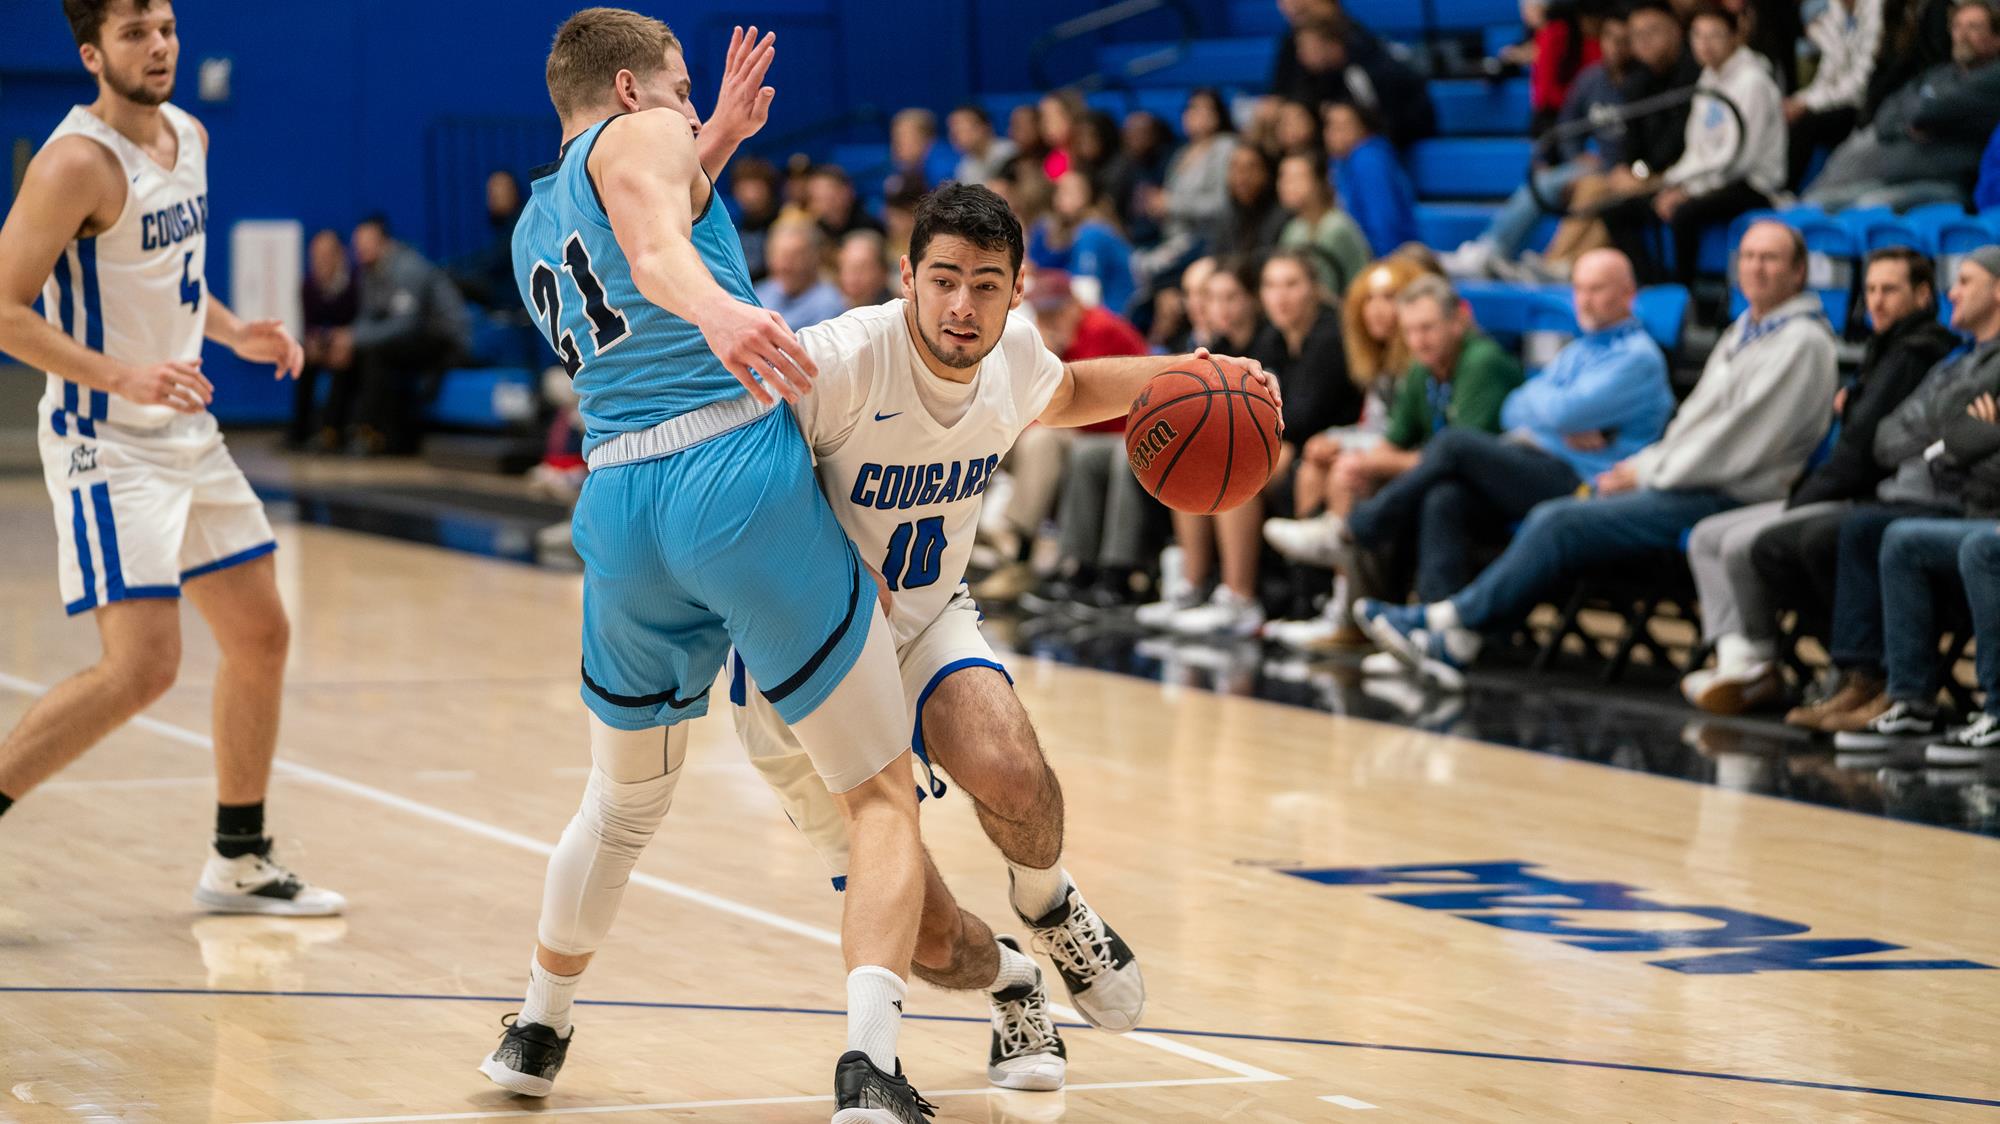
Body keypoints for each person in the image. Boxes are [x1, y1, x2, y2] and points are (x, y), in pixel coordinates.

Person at [479, 16, 934, 1120]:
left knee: (619, 805)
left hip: (619, 503)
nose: (691, 111)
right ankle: (871, 1070)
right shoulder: (641, 140)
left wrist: (719, 136)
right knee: (880, 793)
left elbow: (645, 222)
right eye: (683, 92)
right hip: (728, 475)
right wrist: (725, 311)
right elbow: (655, 250)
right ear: (628, 89)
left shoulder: (538, 218)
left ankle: (537, 1026)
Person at [732, 190, 1268, 1093]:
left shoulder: (1013, 354)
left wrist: (1199, 371)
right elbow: (739, 465)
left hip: (924, 621)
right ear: (907, 279)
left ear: (1017, 290)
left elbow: (1071, 393)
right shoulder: (844, 359)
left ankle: (1049, 902)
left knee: (1016, 772)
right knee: (934, 940)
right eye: (944, 279)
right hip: (807, 659)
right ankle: (1014, 980)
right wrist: (823, 560)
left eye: (986, 285)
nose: (962, 305)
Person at [0, 0, 339, 913]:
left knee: (261, 632)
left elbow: (171, 275)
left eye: (166, 28)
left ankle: (238, 859)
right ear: (91, 53)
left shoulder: (190, 134)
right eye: (134, 34)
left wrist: (233, 332)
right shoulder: (75, 163)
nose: (158, 48)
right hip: (105, 440)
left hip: (185, 429)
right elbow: (4, 309)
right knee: (142, 668)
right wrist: (124, 377)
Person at [1360, 221, 1838, 688]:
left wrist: (1643, 469)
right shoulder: (1744, 331)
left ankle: (1434, 607)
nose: (1755, 267)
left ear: (1799, 271)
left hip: (1719, 491)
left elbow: (1734, 441)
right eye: (1748, 256)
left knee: (1550, 516)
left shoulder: (1798, 341)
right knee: (1447, 496)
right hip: (1677, 478)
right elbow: (1518, 407)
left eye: (1770, 258)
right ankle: (1448, 641)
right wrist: (1586, 436)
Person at [1272, 251, 1670, 615]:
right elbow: (1517, 408)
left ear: (1628, 293)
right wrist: (1558, 419)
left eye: (1597, 289)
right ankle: (1432, 628)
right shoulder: (1579, 351)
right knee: (1445, 496)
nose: (1584, 300)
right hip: (1540, 465)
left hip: (1589, 484)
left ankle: (1351, 531)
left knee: (1455, 444)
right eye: (1579, 288)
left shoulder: (1637, 357)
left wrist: (1553, 414)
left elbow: (1558, 409)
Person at [1682, 247, 1954, 715]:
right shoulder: (1885, 347)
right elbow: (1873, 438)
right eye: (1870, 289)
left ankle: (1851, 667)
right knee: (1719, 537)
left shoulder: (1916, 351)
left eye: (1889, 290)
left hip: (1877, 495)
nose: (1876, 300)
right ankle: (1746, 664)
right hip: (1851, 490)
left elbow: (1868, 451)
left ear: (1923, 295)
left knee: (1770, 544)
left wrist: (1803, 495)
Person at [1774, 248, 2000, 737]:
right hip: (1944, 498)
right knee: (1801, 541)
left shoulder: (1972, 360)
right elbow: (1886, 438)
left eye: (1965, 281)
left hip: (1966, 505)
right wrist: (1953, 437)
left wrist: (1955, 439)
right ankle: (1882, 686)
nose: (1952, 292)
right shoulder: (1958, 359)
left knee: (1872, 534)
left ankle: (1889, 684)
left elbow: (1957, 443)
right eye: (1869, 290)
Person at [1599, 4, 1786, 288]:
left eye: (1715, 35)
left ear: (1735, 36)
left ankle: (1685, 292)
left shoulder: (1753, 82)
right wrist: (1670, 182)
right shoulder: (1707, 78)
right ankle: (1652, 287)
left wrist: (1687, 190)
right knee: (1619, 210)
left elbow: (1737, 159)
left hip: (1752, 185)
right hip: (1708, 181)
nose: (1705, 44)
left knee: (1684, 213)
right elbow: (1696, 150)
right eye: (1698, 36)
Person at [1133, 258, 1272, 633]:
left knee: (1235, 472)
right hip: (1253, 445)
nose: (1219, 307)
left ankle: (1240, 598)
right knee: (1185, 464)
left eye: (1230, 297)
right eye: (1212, 297)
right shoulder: (1217, 347)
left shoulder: (1269, 342)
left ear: (1252, 300)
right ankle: (1192, 586)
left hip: (1285, 448)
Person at [1441, 8, 1633, 279]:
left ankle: (1550, 262)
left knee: (1590, 190)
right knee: (1544, 182)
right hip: (1598, 166)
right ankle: (1492, 250)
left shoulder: (1641, 82)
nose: (1615, 47)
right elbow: (1567, 123)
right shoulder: (1592, 78)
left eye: (1623, 40)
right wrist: (1574, 155)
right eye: (1609, 38)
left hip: (1627, 170)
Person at [1803, 0, 2000, 210]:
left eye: (1974, 27)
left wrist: (1919, 111)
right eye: (1957, 26)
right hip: (1902, 176)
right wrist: (1908, 125)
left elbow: (1929, 110)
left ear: (1997, 39)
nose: (1963, 35)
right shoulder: (1939, 74)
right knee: (1820, 202)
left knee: (1870, 207)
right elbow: (1887, 112)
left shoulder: (1993, 78)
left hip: (1949, 183)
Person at [336, 215, 471, 455]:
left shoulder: (408, 268)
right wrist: (348, 338)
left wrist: (356, 338)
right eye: (357, 244)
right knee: (355, 353)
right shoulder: (368, 271)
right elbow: (367, 317)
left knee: (378, 353)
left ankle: (378, 435)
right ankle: (335, 431)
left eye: (366, 243)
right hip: (412, 336)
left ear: (384, 242)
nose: (360, 249)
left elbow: (406, 324)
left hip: (445, 339)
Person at [1133, 89, 1239, 284]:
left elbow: (1222, 203)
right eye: (1191, 108)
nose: (1195, 115)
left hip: (1208, 241)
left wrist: (1170, 203)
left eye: (1204, 109)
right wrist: (1155, 205)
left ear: (1218, 114)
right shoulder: (1182, 152)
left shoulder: (1225, 147)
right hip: (1174, 240)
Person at [1786, 0, 1883, 190]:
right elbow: (1829, 71)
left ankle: (1787, 190)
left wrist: (1808, 103)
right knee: (1788, 114)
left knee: (1806, 124)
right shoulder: (1835, 9)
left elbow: (1860, 84)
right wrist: (1800, 100)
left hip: (1867, 104)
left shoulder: (1875, 9)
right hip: (1839, 100)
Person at [288, 228, 359, 450]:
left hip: (352, 343)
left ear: (340, 255)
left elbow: (362, 319)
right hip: (325, 342)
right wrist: (314, 343)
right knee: (302, 358)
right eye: (316, 256)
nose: (321, 261)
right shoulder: (308, 285)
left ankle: (333, 430)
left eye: (326, 255)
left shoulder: (356, 282)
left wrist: (347, 340)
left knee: (344, 362)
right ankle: (300, 430)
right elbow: (309, 325)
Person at [1028, 172, 1136, 314]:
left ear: (1087, 196)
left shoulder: (1093, 231)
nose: (1061, 198)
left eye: (1070, 192)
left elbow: (1086, 290)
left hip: (1116, 315)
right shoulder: (1056, 229)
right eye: (1059, 192)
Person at [1325, 102, 1418, 257]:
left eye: (1343, 126)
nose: (1333, 133)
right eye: (1330, 126)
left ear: (1363, 128)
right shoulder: (1339, 162)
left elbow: (1384, 223)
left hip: (1390, 256)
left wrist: (1382, 265)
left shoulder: (1368, 160)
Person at [1275, 149, 1370, 296]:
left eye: (1297, 178)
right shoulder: (1294, 229)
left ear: (1319, 182)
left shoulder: (1337, 227)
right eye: (1283, 178)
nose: (1286, 185)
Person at [448, 169, 526, 308]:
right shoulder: (504, 228)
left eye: (500, 189)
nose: (494, 196)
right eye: (491, 191)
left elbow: (493, 261)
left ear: (515, 192)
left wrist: (452, 273)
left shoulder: (521, 225)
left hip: (518, 310)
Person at [755, 220, 848, 329]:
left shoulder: (828, 306)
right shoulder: (760, 294)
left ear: (814, 258)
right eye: (779, 255)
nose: (784, 266)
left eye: (794, 257)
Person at [728, 155, 783, 281]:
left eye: (756, 188)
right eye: (744, 188)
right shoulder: (734, 223)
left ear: (769, 189)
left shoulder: (784, 222)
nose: (750, 195)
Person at [884, 107, 958, 199]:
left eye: (902, 138)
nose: (896, 146)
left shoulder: (942, 169)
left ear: (926, 137)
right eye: (894, 139)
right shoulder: (917, 166)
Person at [807, 163, 887, 242]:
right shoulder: (812, 228)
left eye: (829, 199)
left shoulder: (869, 227)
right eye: (817, 200)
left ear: (847, 192)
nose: (823, 207)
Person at [948, 104, 1018, 186]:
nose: (954, 133)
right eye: (951, 128)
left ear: (983, 127)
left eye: (960, 126)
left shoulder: (1010, 152)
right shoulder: (964, 168)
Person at [836, 230, 895, 310]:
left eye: (862, 268)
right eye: (847, 267)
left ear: (883, 272)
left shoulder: (895, 312)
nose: (852, 277)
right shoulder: (834, 307)